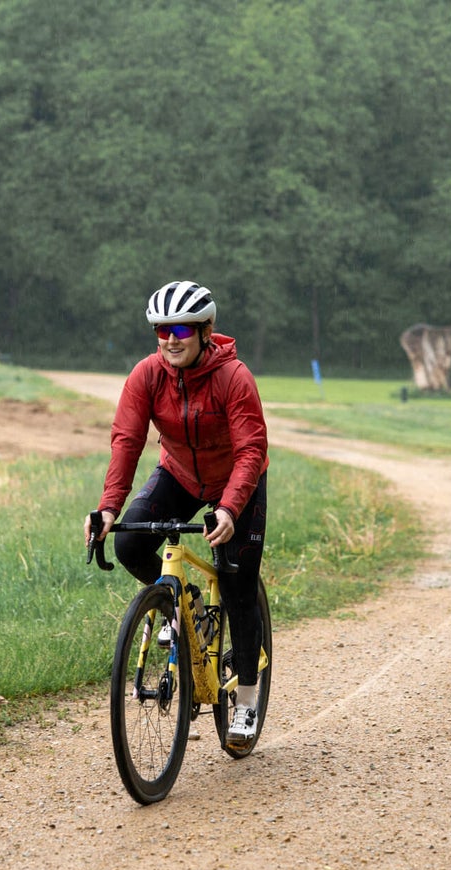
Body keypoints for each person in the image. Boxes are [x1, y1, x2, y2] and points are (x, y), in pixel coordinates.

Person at [85, 280, 269, 745]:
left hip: (235, 479)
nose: (171, 339)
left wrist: (229, 508)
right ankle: (177, 603)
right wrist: (108, 507)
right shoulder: (147, 375)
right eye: (162, 329)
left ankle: (246, 698)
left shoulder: (234, 377)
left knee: (237, 581)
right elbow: (126, 442)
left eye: (181, 329)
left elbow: (250, 450)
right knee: (129, 542)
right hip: (181, 474)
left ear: (206, 330)